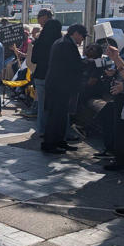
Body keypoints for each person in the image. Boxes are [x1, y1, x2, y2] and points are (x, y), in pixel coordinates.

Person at [42, 24, 87, 154]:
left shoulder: (62, 42)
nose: (82, 40)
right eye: (82, 36)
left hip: (61, 86)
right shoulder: (65, 44)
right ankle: (50, 144)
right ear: (76, 33)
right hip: (58, 86)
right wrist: (90, 62)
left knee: (61, 116)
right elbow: (74, 64)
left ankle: (59, 141)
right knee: (55, 116)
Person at [31, 13, 62, 135]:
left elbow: (33, 59)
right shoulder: (59, 43)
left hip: (40, 75)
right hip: (54, 76)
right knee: (54, 105)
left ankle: (41, 129)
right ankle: (51, 129)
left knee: (41, 105)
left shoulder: (39, 41)